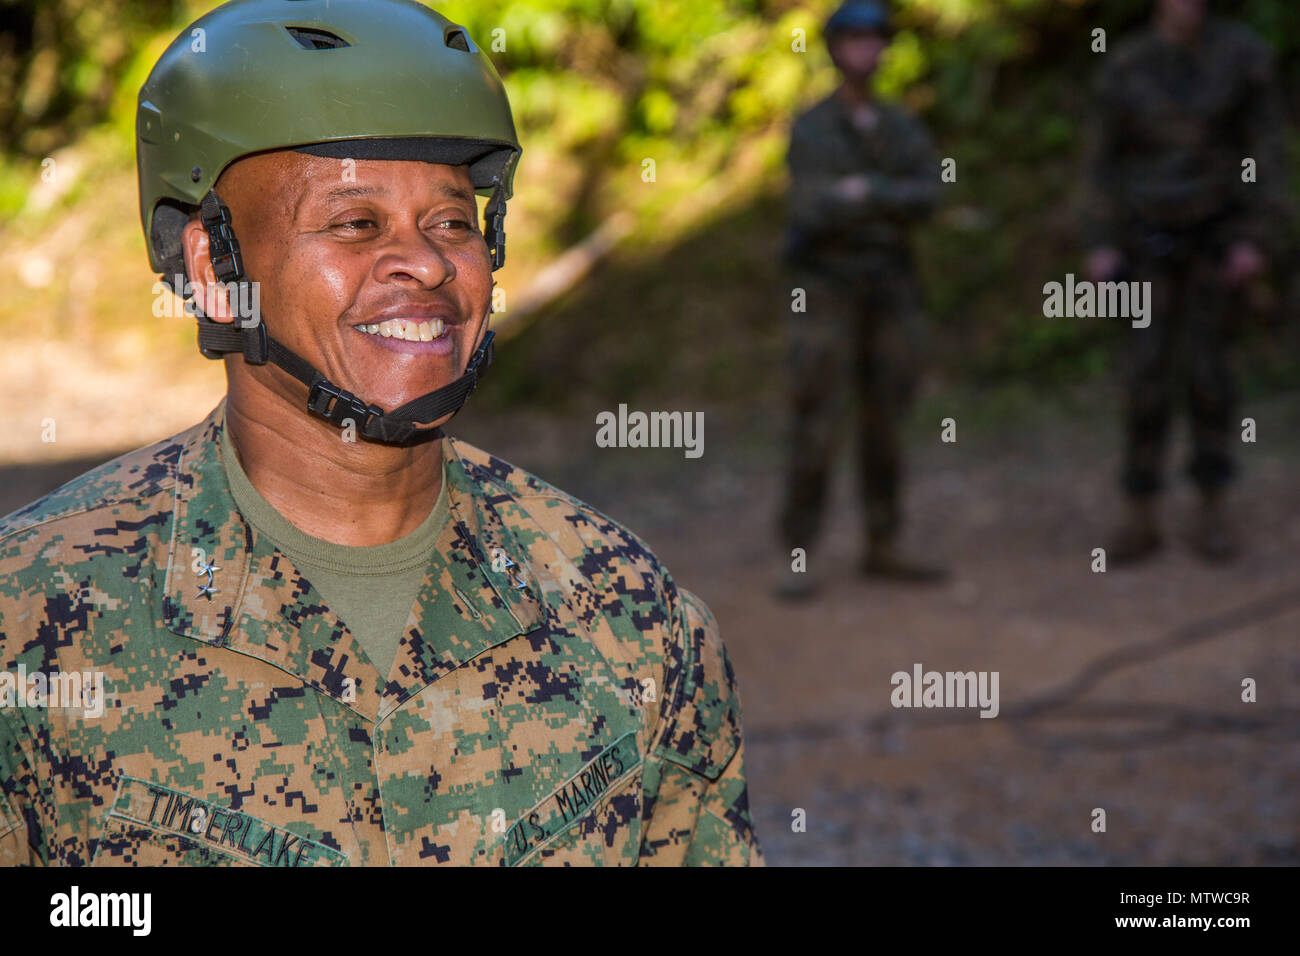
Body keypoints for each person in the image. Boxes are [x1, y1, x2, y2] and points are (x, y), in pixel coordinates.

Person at [0, 0, 761, 867]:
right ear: (218, 272)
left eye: (451, 222)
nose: (428, 263)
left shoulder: (628, 612)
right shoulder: (34, 618)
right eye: (356, 225)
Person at [1084, 0, 1288, 563]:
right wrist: (1099, 242)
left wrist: (1258, 237)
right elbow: (1102, 160)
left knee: (1211, 375)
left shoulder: (1243, 56)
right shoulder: (1126, 64)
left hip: (1216, 241)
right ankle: (1139, 507)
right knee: (1144, 375)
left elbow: (1265, 153)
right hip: (1144, 245)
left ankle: (1213, 505)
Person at [776, 0, 947, 599]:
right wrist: (883, 198)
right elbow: (811, 208)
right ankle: (798, 553)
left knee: (888, 419)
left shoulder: (903, 125)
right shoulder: (813, 125)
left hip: (891, 287)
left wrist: (864, 191)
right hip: (826, 289)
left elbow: (931, 194)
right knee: (817, 418)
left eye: (874, 40)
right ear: (833, 49)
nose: (864, 51)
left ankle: (884, 542)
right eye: (853, 40)